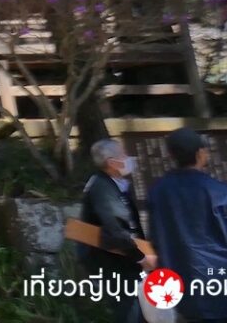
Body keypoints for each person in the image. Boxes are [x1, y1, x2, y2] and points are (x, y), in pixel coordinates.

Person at [147, 128, 227, 322]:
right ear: (201, 154)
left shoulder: (158, 193)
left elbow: (155, 240)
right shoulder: (224, 194)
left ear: (171, 155)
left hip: (186, 296)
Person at [79, 138, 155, 322]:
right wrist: (142, 258)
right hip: (115, 265)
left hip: (122, 262)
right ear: (112, 163)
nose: (129, 158)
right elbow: (117, 230)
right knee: (130, 312)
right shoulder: (102, 188)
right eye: (124, 155)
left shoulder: (110, 184)